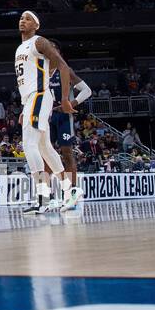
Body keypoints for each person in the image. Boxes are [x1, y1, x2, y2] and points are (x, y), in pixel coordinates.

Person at [15, 11, 76, 213]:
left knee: (29, 144)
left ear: (36, 25)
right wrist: (26, 107)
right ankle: (69, 193)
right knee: (45, 148)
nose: (23, 20)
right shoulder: (20, 48)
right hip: (31, 100)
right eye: (22, 18)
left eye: (28, 18)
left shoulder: (39, 42)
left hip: (39, 95)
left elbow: (63, 66)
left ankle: (43, 197)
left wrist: (65, 98)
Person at [48, 68, 93, 211]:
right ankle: (45, 197)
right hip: (48, 116)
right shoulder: (41, 69)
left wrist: (71, 104)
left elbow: (87, 90)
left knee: (67, 153)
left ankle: (72, 193)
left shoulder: (65, 71)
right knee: (45, 154)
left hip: (64, 116)